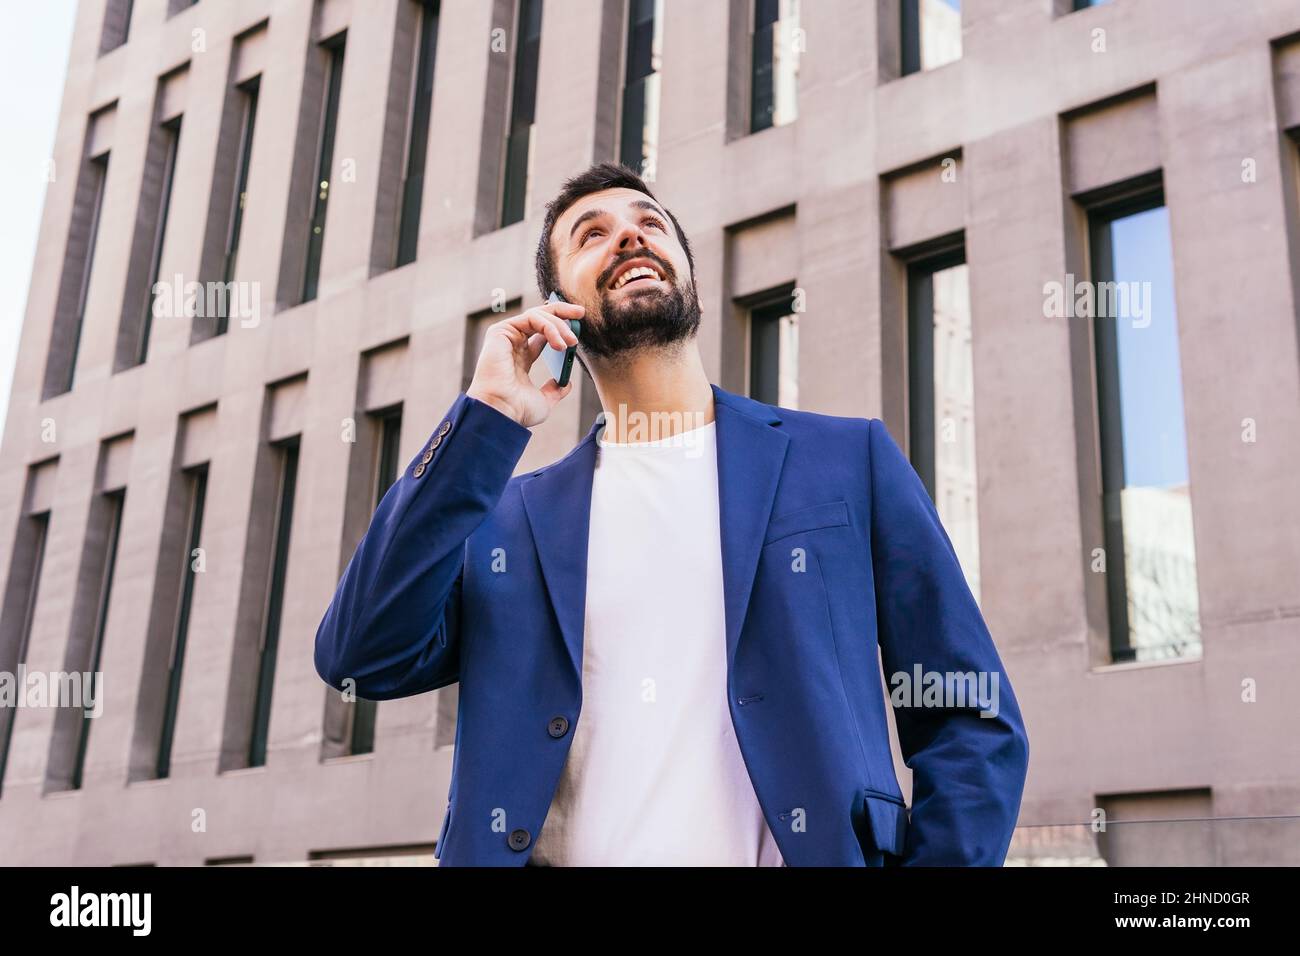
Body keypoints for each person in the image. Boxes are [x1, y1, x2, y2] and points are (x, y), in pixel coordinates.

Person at [313, 161, 1029, 867]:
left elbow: (969, 713)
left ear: (689, 273)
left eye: (649, 224)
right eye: (592, 234)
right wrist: (486, 419)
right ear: (558, 308)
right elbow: (359, 656)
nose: (629, 237)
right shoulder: (506, 523)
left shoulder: (845, 462)